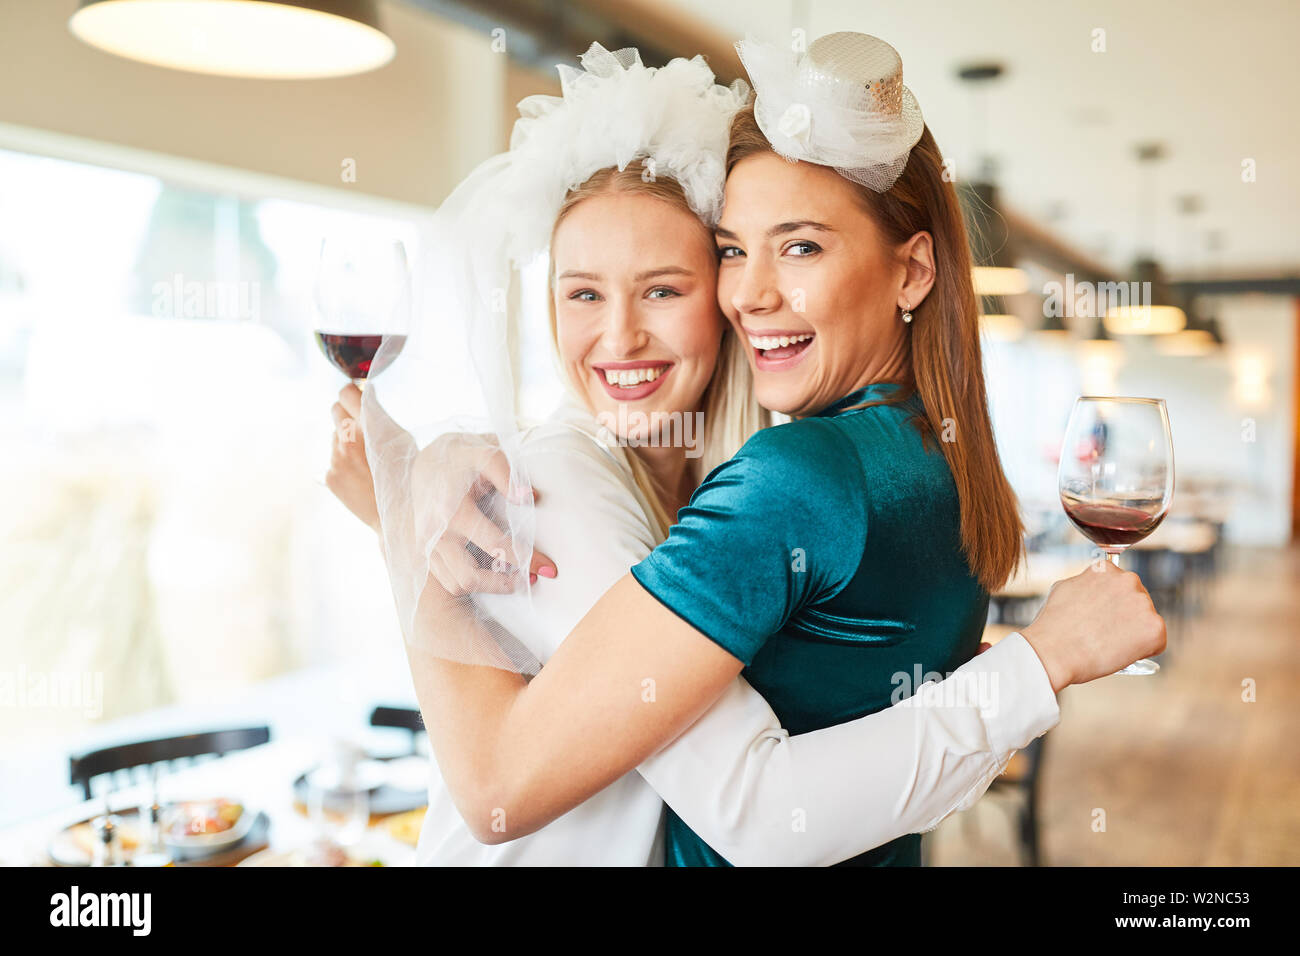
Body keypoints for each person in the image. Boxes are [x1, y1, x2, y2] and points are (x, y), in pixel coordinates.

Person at [332, 38, 1165, 866]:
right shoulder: (560, 481)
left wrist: (1016, 675)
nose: (754, 292)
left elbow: (791, 800)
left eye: (666, 287)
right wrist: (404, 513)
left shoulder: (776, 473)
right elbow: (501, 795)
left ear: (912, 273)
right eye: (735, 250)